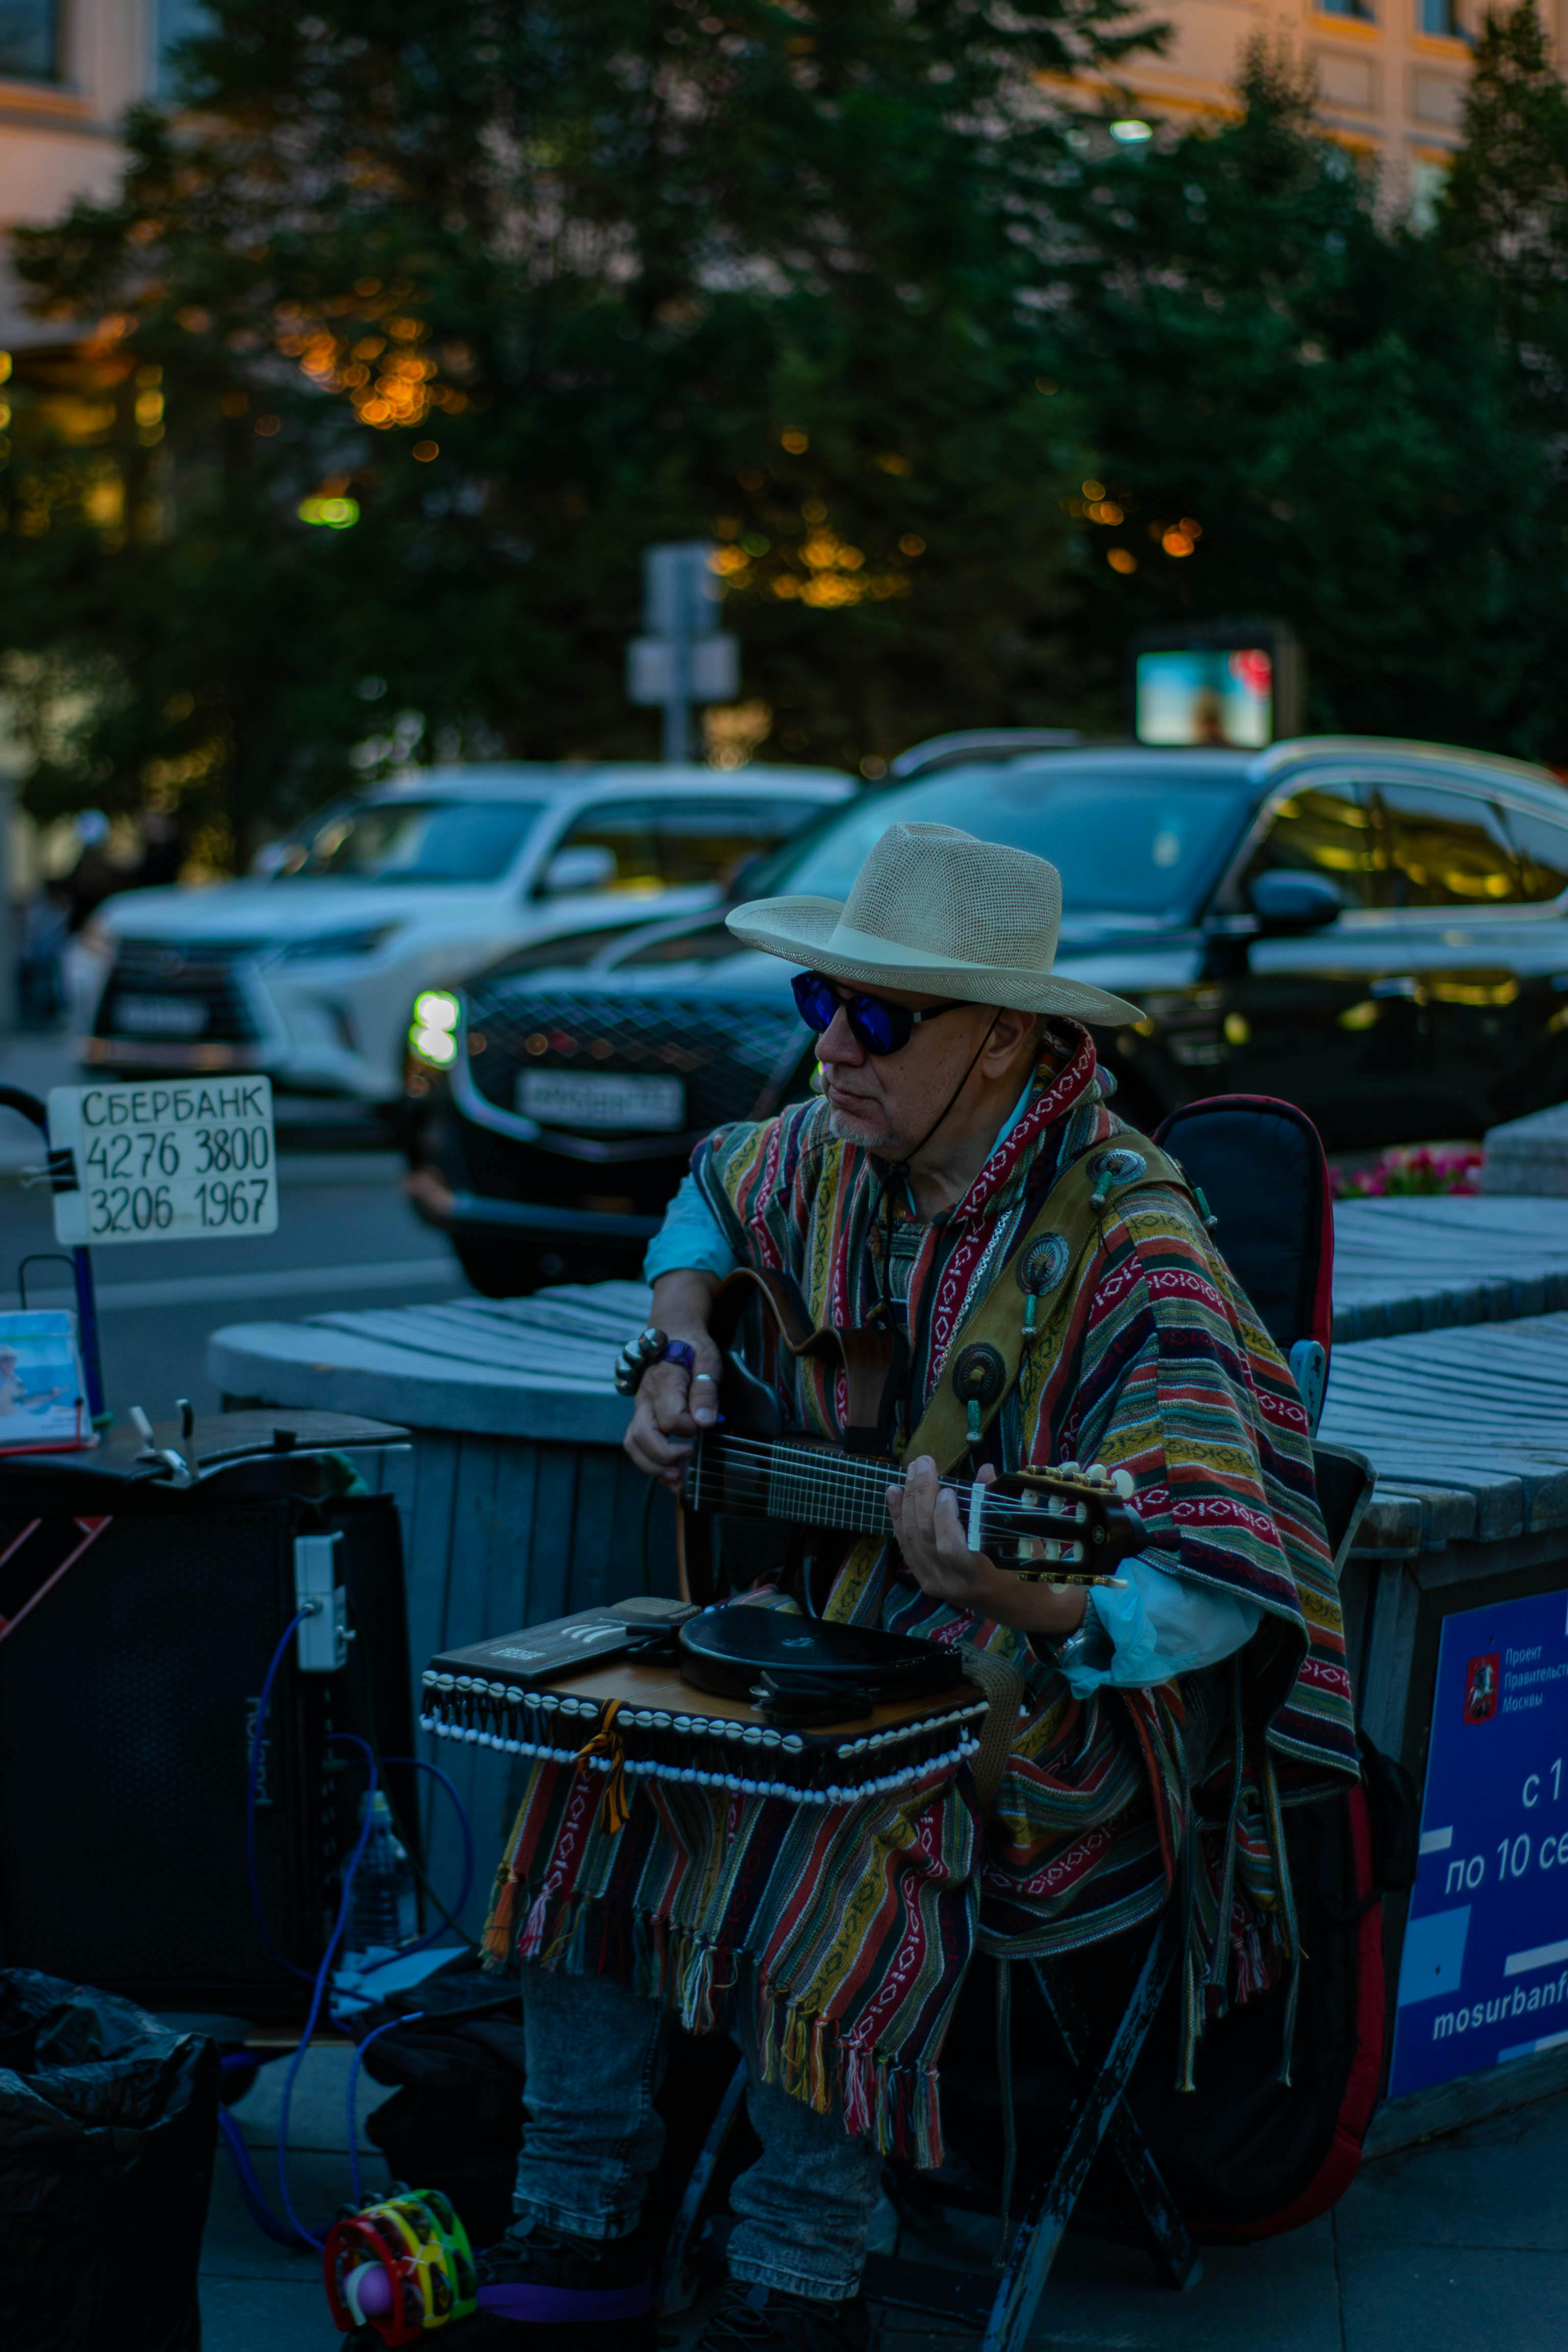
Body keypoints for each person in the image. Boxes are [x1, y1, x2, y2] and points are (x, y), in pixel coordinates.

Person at [462, 823, 1358, 2351]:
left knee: (850, 1800)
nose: (835, 1050)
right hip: (835, 1641)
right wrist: (681, 1342)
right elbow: (708, 1188)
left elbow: (1220, 1578)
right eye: (823, 1000)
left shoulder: (1136, 1243)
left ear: (1006, 1039)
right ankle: (584, 2209)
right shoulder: (828, 1146)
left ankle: (803, 2272)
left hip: (1066, 1725)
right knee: (590, 1745)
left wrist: (1035, 1602)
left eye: (882, 1019)